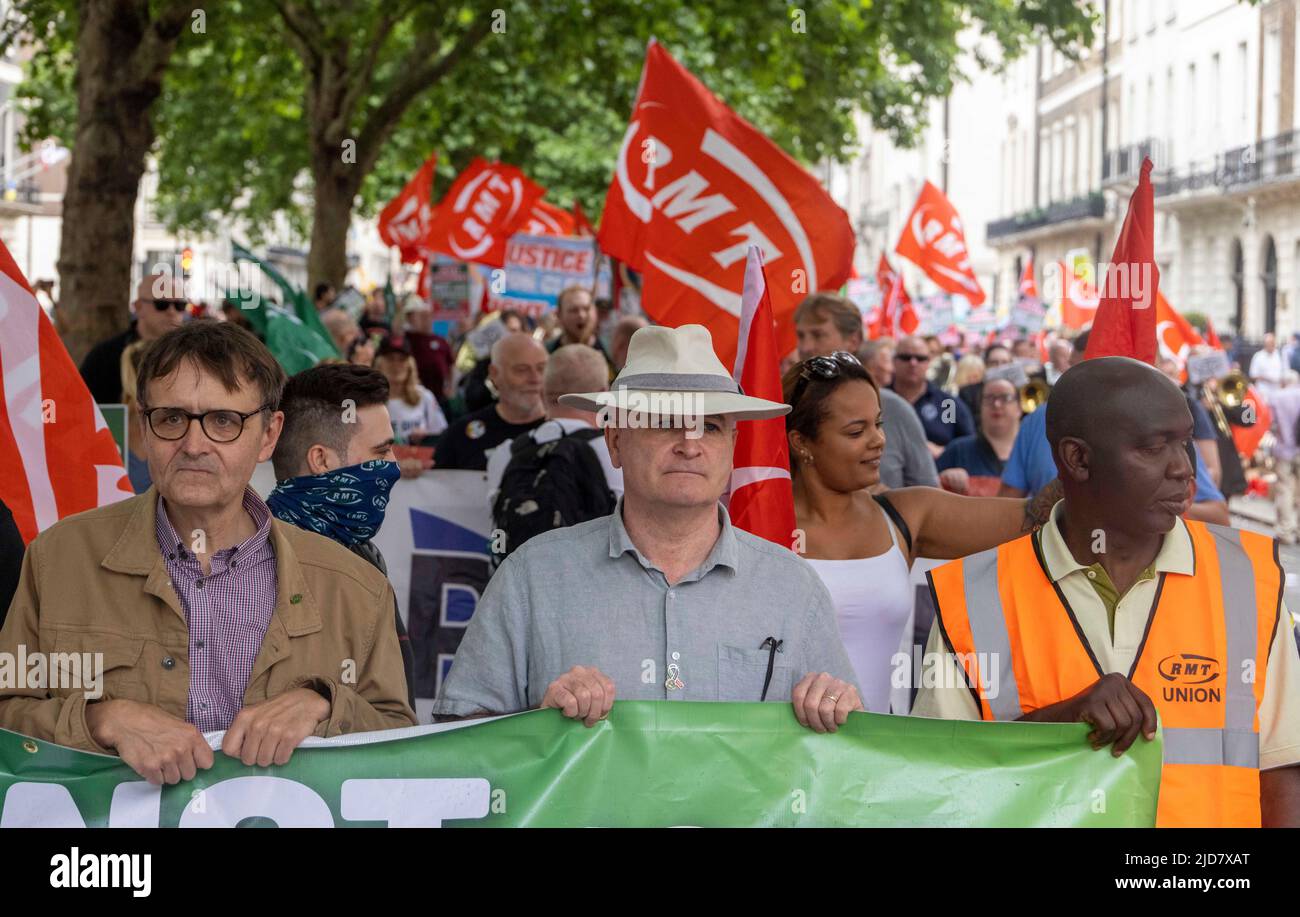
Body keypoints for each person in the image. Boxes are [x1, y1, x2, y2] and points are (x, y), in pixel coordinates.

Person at [0, 321, 414, 783]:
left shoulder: (356, 588)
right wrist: (100, 720)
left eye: (224, 421)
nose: (194, 445)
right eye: (171, 419)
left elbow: (405, 745)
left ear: (269, 435)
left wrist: (325, 705)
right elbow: (8, 713)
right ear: (144, 426)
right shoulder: (58, 558)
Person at [916, 357, 1300, 827]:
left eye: (1184, 443)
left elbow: (1283, 768)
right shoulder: (971, 597)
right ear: (1078, 458)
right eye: (1154, 448)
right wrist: (1060, 722)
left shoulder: (1248, 578)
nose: (1183, 470)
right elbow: (937, 781)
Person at [434, 324, 864, 731]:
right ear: (615, 442)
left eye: (710, 427)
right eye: (663, 421)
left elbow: (844, 753)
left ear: (732, 447)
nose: (689, 444)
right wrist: (536, 727)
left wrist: (837, 712)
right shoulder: (531, 576)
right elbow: (459, 736)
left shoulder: (792, 587)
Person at [783, 352, 1055, 713]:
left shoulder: (904, 515)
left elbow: (1036, 518)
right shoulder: (754, 526)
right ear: (801, 442)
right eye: (856, 431)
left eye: (878, 424)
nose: (879, 440)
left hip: (875, 759)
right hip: (779, 759)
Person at [268, 362, 416, 710]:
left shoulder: (363, 553)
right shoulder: (250, 559)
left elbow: (393, 710)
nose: (393, 464)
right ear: (322, 459)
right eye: (381, 451)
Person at [999, 331, 1230, 525]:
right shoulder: (1038, 421)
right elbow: (1006, 507)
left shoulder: (1159, 422)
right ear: (1074, 455)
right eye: (1073, 372)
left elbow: (1219, 516)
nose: (1182, 469)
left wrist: (1167, 505)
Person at [487, 344, 622, 563]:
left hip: (518, 582)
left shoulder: (505, 454)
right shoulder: (615, 450)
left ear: (542, 392)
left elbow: (496, 530)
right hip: (589, 584)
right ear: (603, 395)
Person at [795, 294, 937, 489]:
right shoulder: (787, 407)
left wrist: (882, 503)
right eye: (801, 336)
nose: (805, 347)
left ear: (853, 340)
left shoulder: (895, 409)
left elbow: (928, 494)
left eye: (818, 335)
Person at [436, 331, 547, 470]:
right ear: (494, 373)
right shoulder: (460, 437)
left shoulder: (569, 432)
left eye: (542, 369)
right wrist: (413, 476)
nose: (535, 379)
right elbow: (434, 485)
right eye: (522, 370)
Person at [79, 272, 187, 404]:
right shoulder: (104, 357)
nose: (172, 311)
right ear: (138, 307)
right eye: (162, 304)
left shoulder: (191, 355)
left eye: (180, 305)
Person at [890, 334, 975, 455]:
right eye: (906, 357)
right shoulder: (879, 401)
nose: (913, 363)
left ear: (928, 362)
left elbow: (969, 447)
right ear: (894, 361)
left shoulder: (947, 404)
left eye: (920, 358)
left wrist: (943, 453)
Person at [937, 374, 1022, 496]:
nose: (996, 404)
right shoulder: (958, 449)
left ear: (1019, 407)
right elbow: (927, 491)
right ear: (980, 407)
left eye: (1005, 397)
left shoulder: (1034, 453)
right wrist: (943, 478)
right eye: (989, 398)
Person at [1158, 356, 1222, 488]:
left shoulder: (1192, 405)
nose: (1168, 380)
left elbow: (1213, 471)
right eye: (1162, 375)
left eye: (1171, 374)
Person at [375, 336, 447, 444]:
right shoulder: (368, 399)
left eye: (402, 359)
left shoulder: (424, 396)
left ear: (410, 364)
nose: (396, 365)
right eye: (390, 358)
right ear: (380, 363)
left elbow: (442, 434)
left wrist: (426, 435)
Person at [546, 286, 615, 376]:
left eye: (586, 309)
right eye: (573, 310)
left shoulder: (612, 351)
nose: (581, 315)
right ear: (559, 315)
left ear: (595, 312)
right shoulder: (546, 353)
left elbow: (624, 387)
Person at [402, 297, 454, 409]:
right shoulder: (408, 339)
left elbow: (450, 365)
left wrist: (450, 386)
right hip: (417, 394)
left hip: (440, 395)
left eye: (427, 316)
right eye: (421, 316)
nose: (425, 319)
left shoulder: (441, 340)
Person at [1270, 371, 1300, 544]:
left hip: (1284, 449)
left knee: (1285, 489)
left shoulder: (1277, 397)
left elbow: (1271, 423)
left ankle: (1286, 531)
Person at [1250, 332, 1286, 399]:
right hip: (1263, 392)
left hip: (1277, 391)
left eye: (1272, 343)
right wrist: (1265, 378)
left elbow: (1284, 372)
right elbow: (1253, 375)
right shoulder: (1258, 356)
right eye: (1268, 343)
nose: (1270, 345)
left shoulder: (1280, 355)